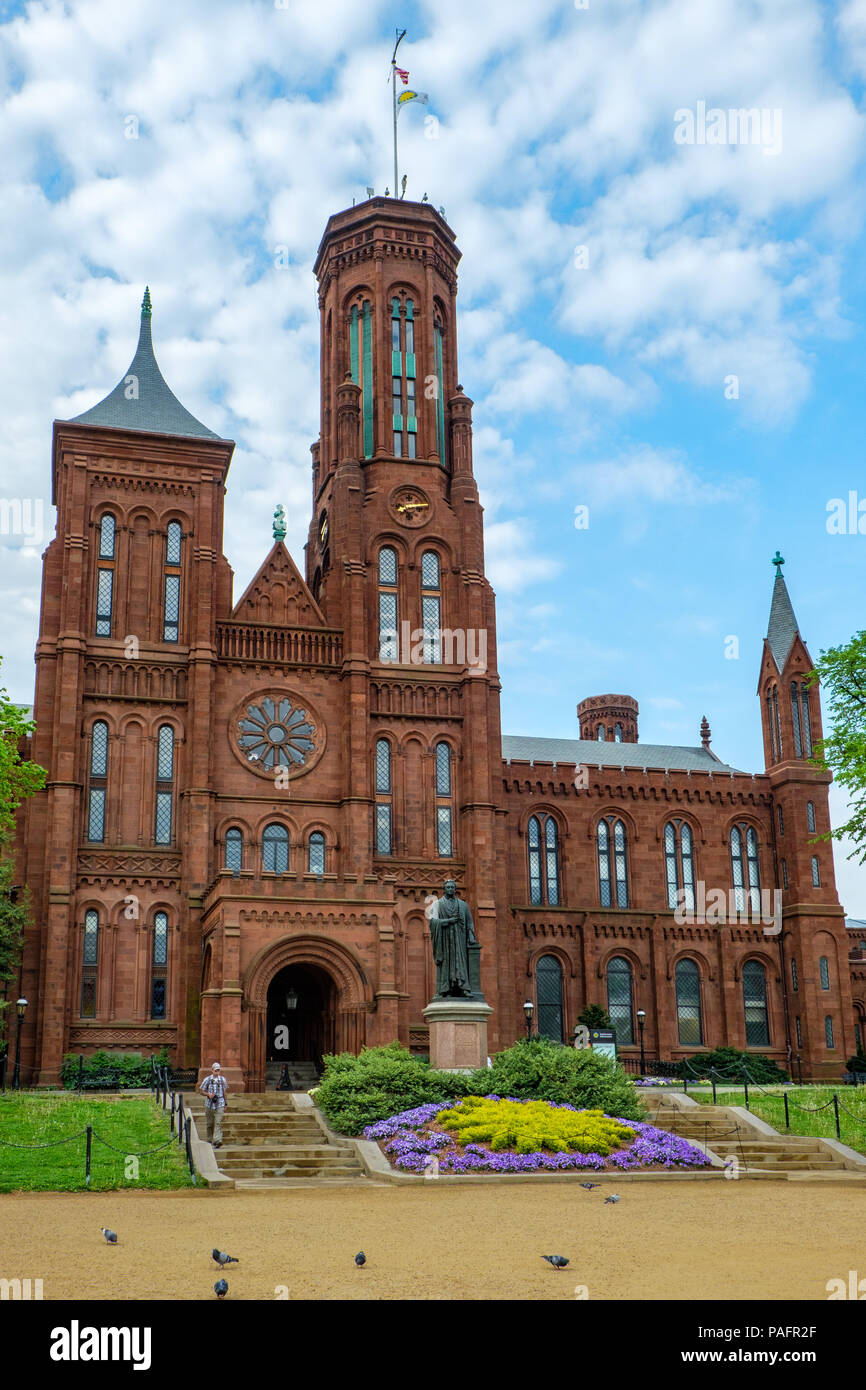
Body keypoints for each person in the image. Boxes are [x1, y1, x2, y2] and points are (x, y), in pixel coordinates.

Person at [199, 1062, 228, 1148]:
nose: (217, 1072)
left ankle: (217, 1140)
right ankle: (210, 1139)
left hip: (220, 1103)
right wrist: (208, 1094)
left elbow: (224, 1092)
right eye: (215, 1070)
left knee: (218, 1122)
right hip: (210, 1104)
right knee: (210, 1123)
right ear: (212, 1070)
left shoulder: (222, 1080)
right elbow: (201, 1091)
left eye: (218, 1070)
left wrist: (226, 1103)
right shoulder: (207, 1079)